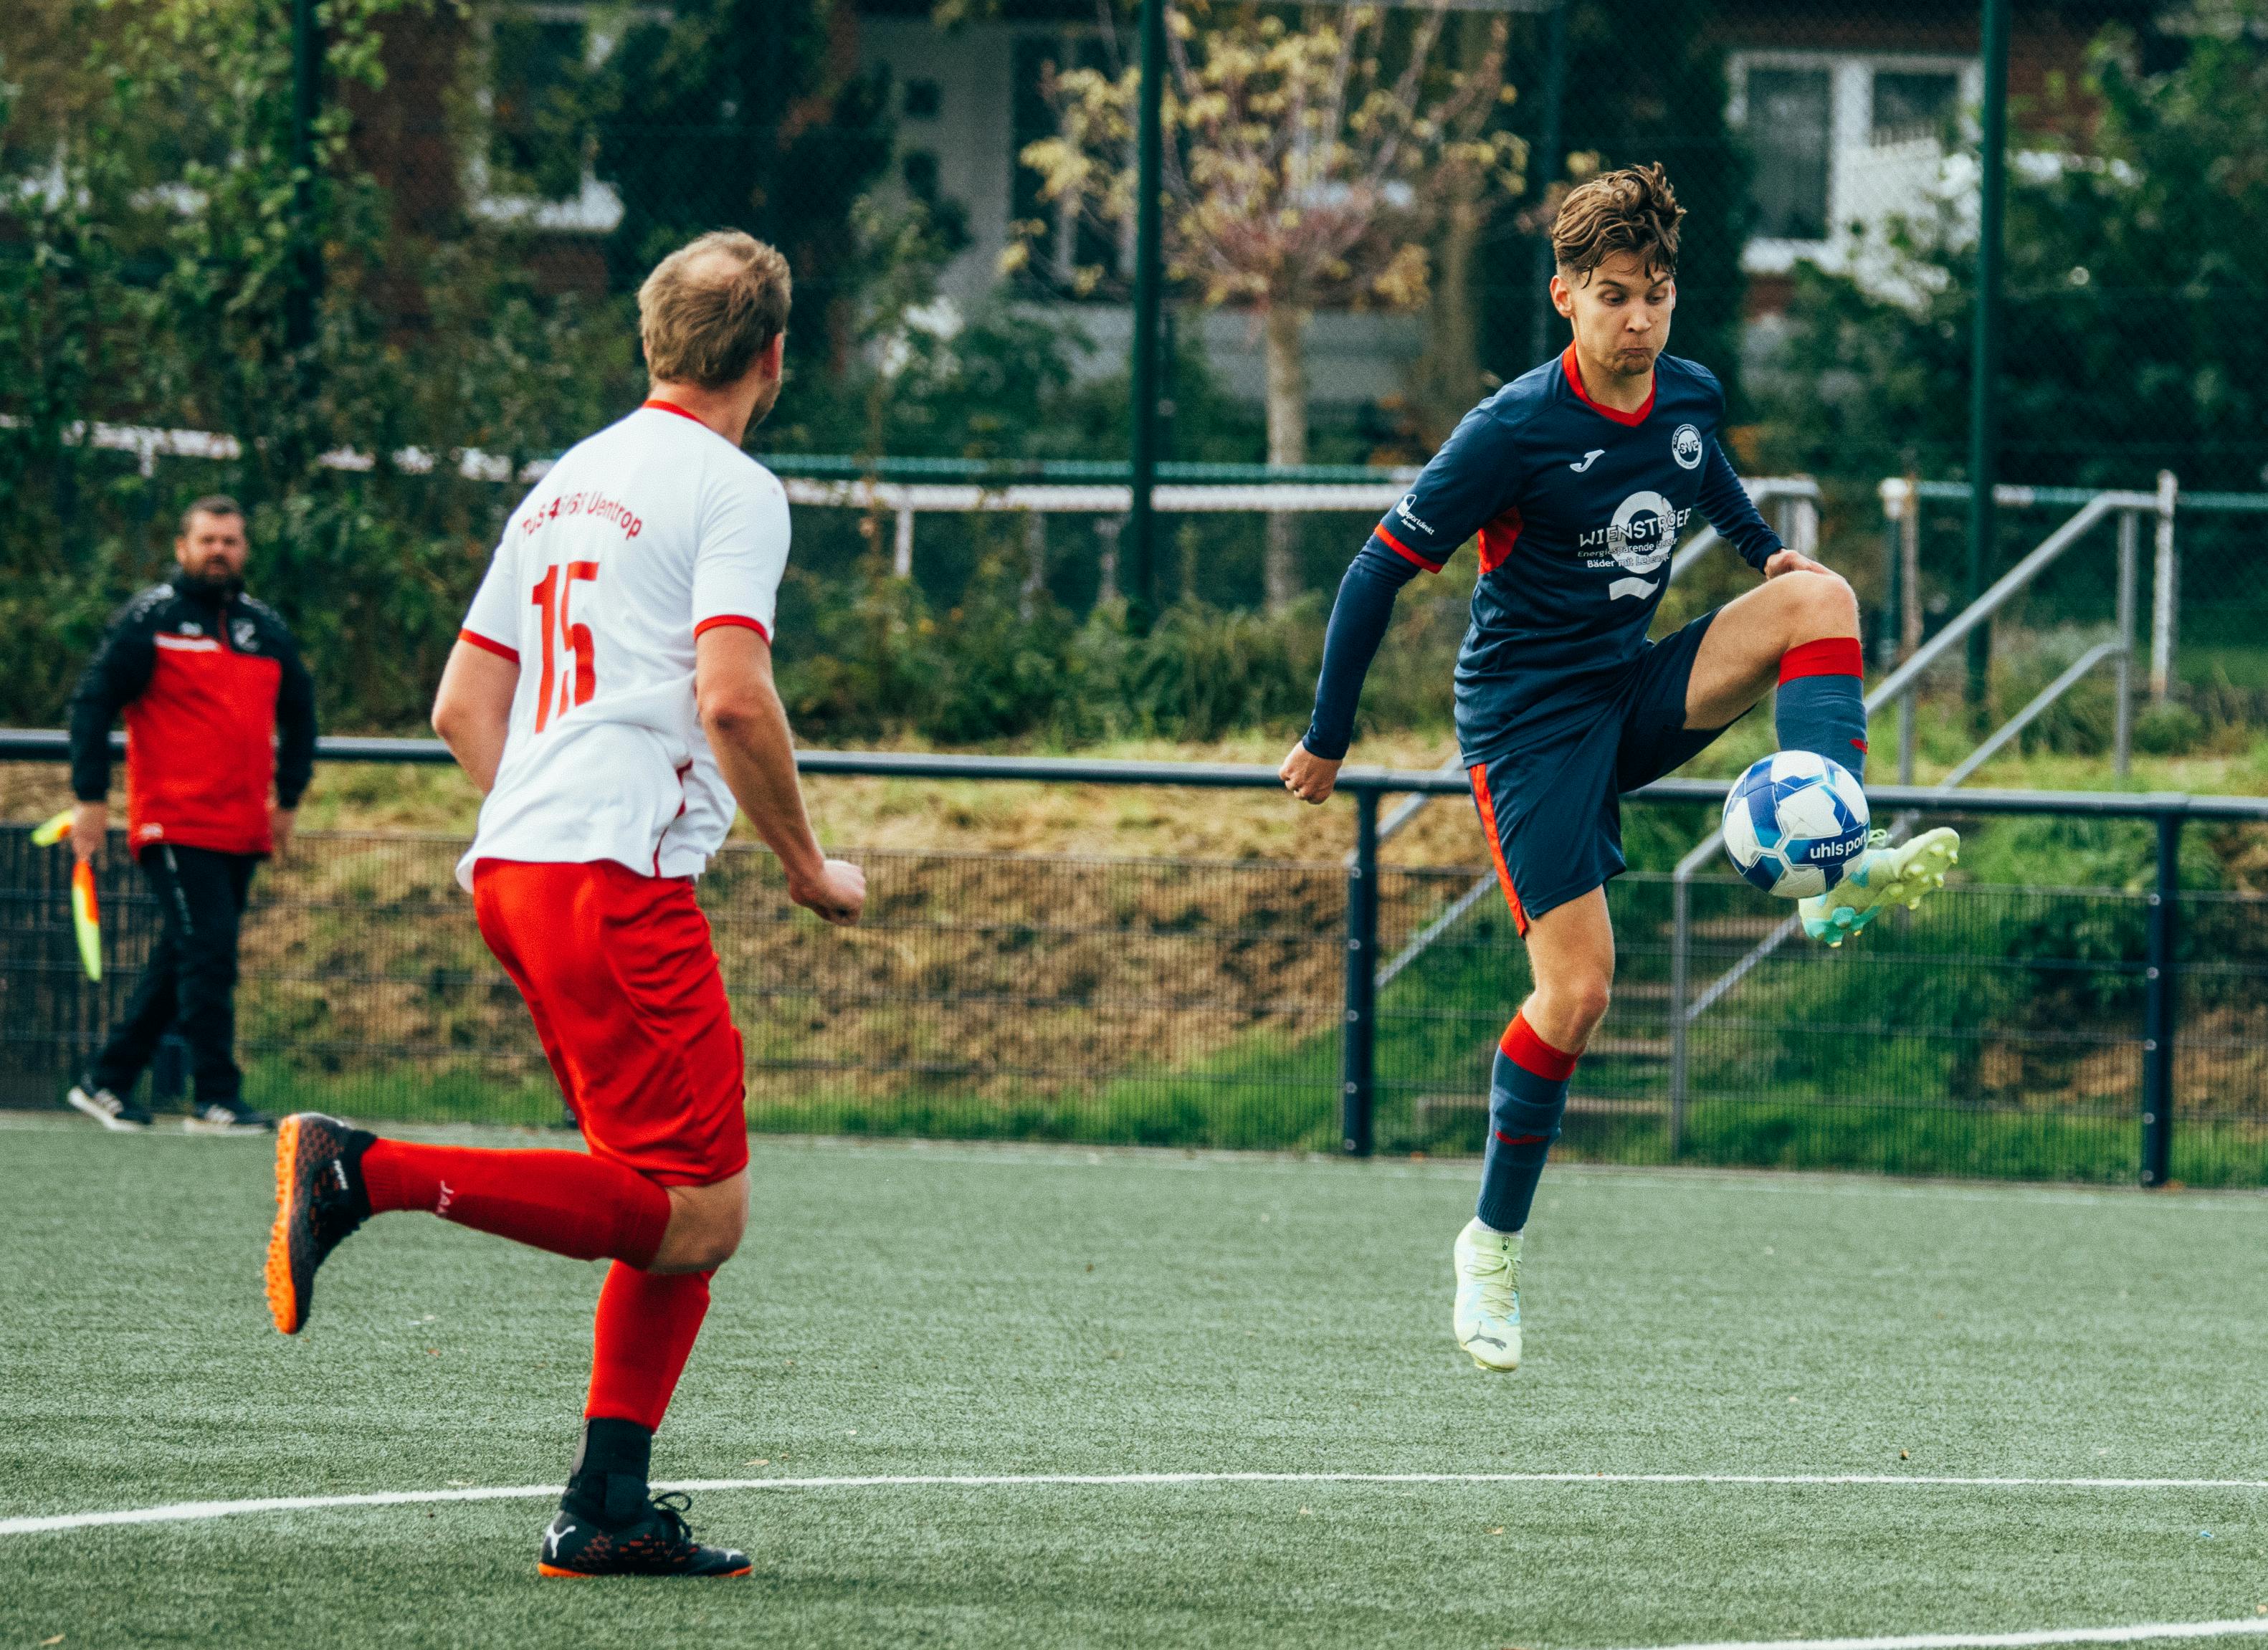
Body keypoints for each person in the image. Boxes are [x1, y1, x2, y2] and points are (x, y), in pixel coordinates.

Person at [1278, 165, 1958, 1373]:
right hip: (1527, 731)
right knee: (1579, 995)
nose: (1636, 318)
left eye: (1653, 295)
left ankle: (1828, 868)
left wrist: (1767, 560)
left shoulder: (1687, 396)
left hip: (1627, 688)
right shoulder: (1509, 431)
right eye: (1610, 296)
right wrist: (1327, 737)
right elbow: (1372, 571)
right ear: (1563, 300)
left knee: (1821, 596)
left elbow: (1732, 519)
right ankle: (1487, 1245)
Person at [262, 231, 865, 1579]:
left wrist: (548, 807)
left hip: (523, 871)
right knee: (701, 1212)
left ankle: (606, 1504)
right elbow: (730, 694)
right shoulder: (734, 487)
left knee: (657, 1202)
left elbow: (458, 706)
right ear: (773, 358)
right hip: (607, 886)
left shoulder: (566, 483)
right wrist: (805, 863)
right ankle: (368, 1171)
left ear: (650, 342)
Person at [64, 496, 316, 1134]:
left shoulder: (266, 627)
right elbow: (91, 704)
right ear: (182, 547)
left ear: (244, 551)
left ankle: (106, 1080)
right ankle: (216, 1098)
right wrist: (90, 799)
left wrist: (287, 799)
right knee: (209, 951)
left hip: (242, 826)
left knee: (184, 955)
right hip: (172, 822)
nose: (218, 552)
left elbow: (303, 714)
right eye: (207, 540)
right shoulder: (151, 619)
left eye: (230, 541)